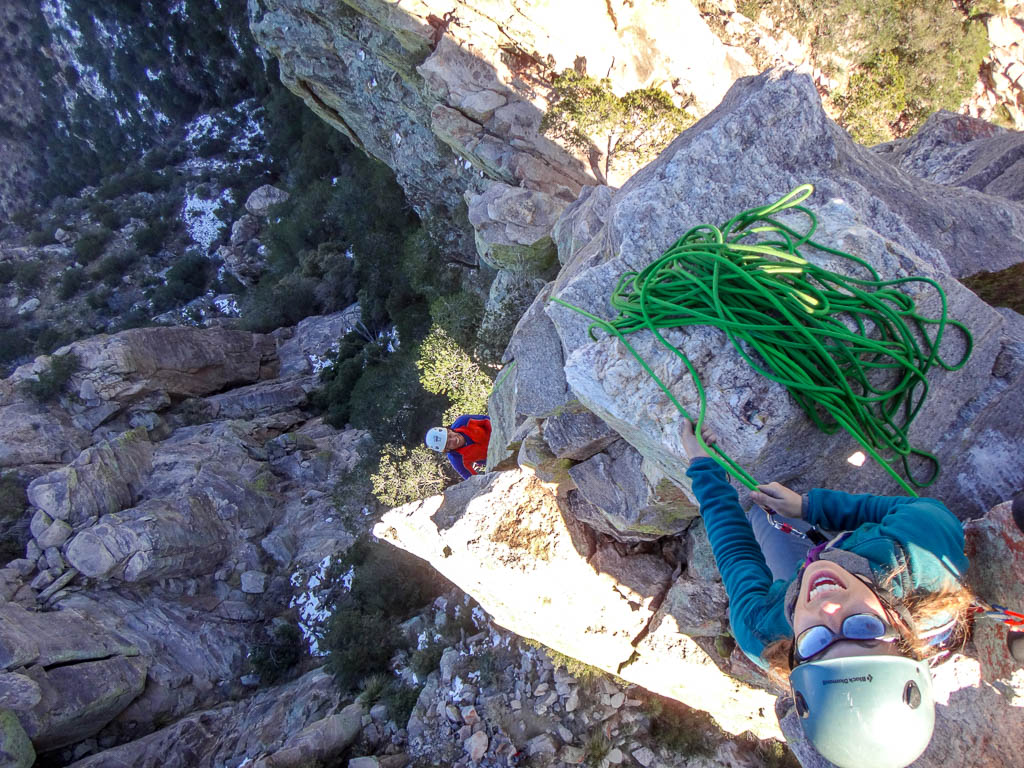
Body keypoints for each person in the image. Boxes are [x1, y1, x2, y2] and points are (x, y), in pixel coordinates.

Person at [680, 419, 973, 768]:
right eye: (863, 627)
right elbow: (895, 510)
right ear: (900, 626)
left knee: (761, 517)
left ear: (794, 659)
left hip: (832, 576)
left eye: (816, 642)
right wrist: (810, 507)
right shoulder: (923, 550)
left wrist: (703, 466)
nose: (828, 606)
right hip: (881, 569)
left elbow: (737, 555)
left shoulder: (762, 633)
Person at [425, 414, 491, 480]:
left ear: (449, 430)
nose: (454, 440)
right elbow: (472, 479)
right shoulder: (456, 459)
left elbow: (488, 420)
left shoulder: (464, 421)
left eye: (450, 436)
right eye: (448, 443)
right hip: (494, 458)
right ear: (447, 450)